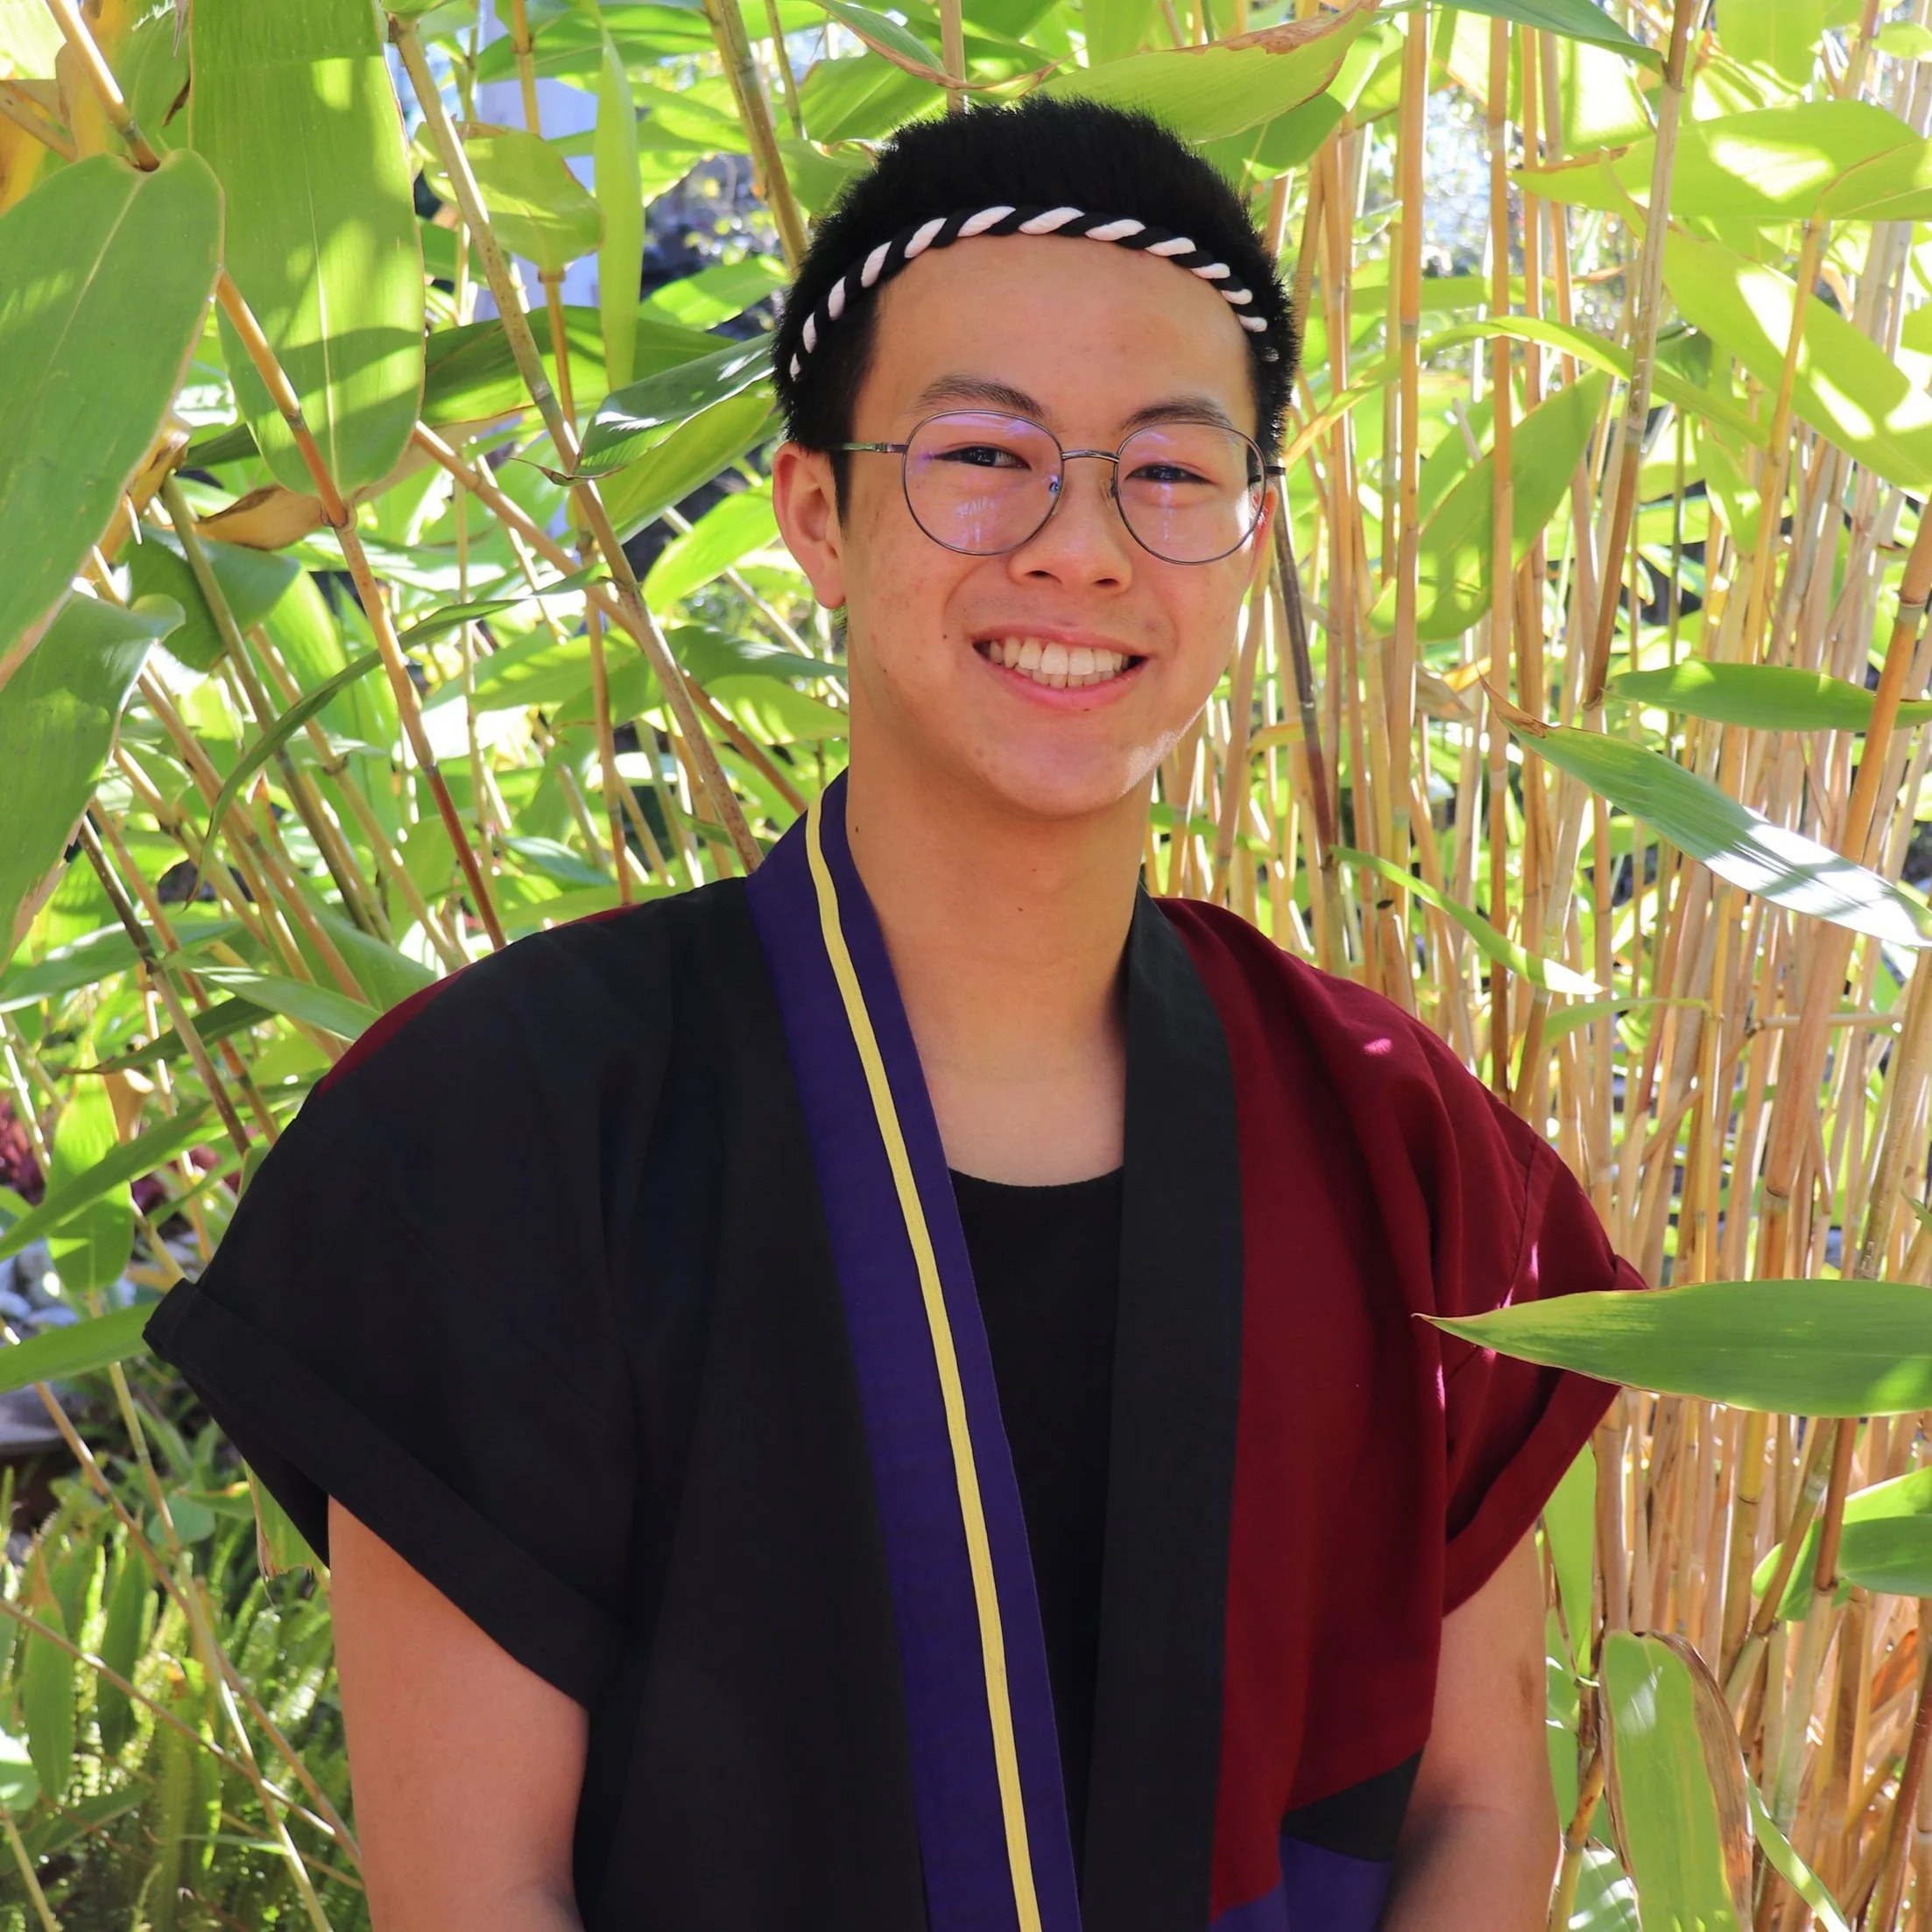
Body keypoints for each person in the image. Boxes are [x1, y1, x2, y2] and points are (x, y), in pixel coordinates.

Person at [145, 95, 1640, 1932]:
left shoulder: (1395, 1136)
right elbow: (478, 1889)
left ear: (1248, 541)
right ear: (815, 515)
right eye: (981, 453)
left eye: (1166, 472)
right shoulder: (514, 1128)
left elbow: (1476, 1808)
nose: (1079, 547)